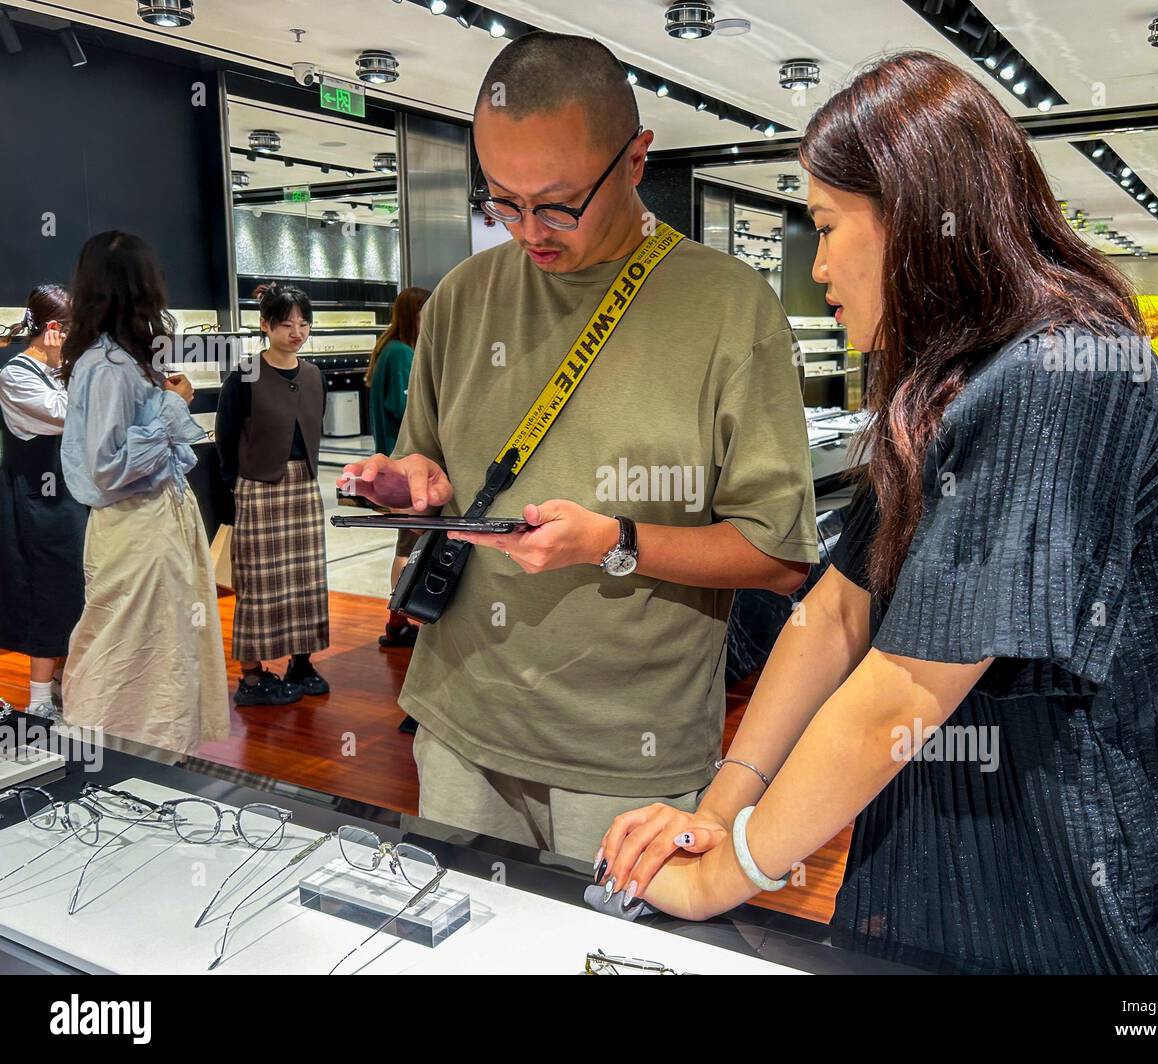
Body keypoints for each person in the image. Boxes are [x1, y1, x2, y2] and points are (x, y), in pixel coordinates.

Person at [595, 52, 1158, 975]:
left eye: (827, 226)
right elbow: (837, 611)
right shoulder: (951, 389)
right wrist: (719, 810)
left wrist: (729, 871)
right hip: (957, 843)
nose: (819, 266)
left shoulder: (1062, 375)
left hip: (1079, 874)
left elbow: (910, 682)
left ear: (915, 218)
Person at [341, 31, 817, 861]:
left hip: (628, 760)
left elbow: (779, 557)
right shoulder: (463, 296)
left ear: (636, 161)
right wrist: (408, 483)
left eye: (559, 203)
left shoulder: (730, 310)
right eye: (502, 201)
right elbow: (433, 466)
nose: (530, 230)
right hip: (457, 723)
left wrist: (616, 543)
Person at [59, 231, 229, 756]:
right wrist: (172, 404)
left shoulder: (119, 360)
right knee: (130, 644)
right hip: (137, 526)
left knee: (158, 645)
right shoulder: (107, 366)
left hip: (152, 523)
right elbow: (109, 468)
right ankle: (122, 760)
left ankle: (149, 758)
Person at [216, 284, 329, 706]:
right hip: (258, 487)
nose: (297, 332)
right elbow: (226, 438)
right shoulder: (244, 374)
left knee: (306, 577)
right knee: (260, 582)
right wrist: (232, 487)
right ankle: (251, 675)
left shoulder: (315, 374)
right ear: (265, 326)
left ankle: (302, 661)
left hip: (304, 485)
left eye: (303, 323)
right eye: (286, 324)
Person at [0, 285, 87, 719]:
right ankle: (37, 703)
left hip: (68, 499)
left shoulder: (58, 369)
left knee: (75, 593)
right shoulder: (16, 374)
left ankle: (63, 688)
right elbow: (65, 413)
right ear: (55, 328)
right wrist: (60, 367)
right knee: (48, 595)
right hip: (39, 503)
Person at [364, 285, 432, 649]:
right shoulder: (402, 354)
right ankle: (401, 619)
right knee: (409, 544)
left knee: (406, 542)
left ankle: (399, 618)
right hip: (406, 466)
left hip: (394, 462)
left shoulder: (386, 349)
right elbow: (408, 410)